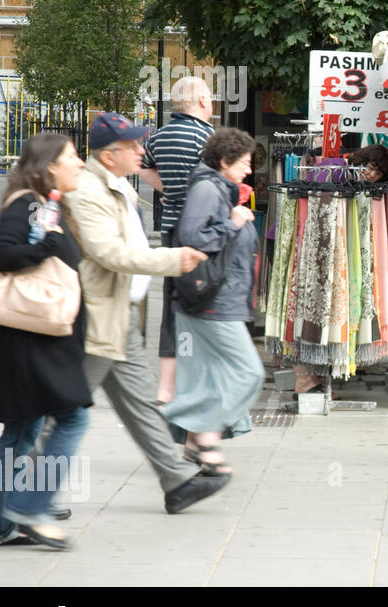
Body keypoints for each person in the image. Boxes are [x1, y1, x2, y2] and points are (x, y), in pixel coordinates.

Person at [63, 112, 233, 513]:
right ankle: (26, 494)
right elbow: (110, 254)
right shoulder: (88, 191)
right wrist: (173, 259)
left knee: (140, 404)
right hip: (99, 319)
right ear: (108, 156)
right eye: (135, 146)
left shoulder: (115, 185)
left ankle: (176, 480)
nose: (143, 150)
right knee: (65, 409)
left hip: (122, 316)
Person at [0, 134, 91, 548]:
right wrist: (48, 244)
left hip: (34, 337)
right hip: (31, 339)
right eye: (72, 157)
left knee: (23, 429)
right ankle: (30, 507)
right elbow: (5, 254)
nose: (80, 163)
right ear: (50, 164)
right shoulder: (29, 204)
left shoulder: (43, 202)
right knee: (71, 417)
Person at [161, 127, 265, 475]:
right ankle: (204, 435)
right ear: (224, 160)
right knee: (248, 372)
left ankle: (194, 442)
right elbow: (193, 237)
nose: (248, 170)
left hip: (217, 299)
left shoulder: (217, 188)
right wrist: (234, 223)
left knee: (209, 375)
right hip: (213, 301)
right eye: (244, 162)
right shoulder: (208, 189)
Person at [139, 75, 215, 406]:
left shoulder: (158, 136)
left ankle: (166, 386)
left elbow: (143, 169)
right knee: (202, 302)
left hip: (171, 230)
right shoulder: (209, 138)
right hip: (200, 233)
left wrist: (169, 188)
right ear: (199, 101)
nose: (212, 105)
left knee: (172, 305)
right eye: (210, 98)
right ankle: (196, 378)